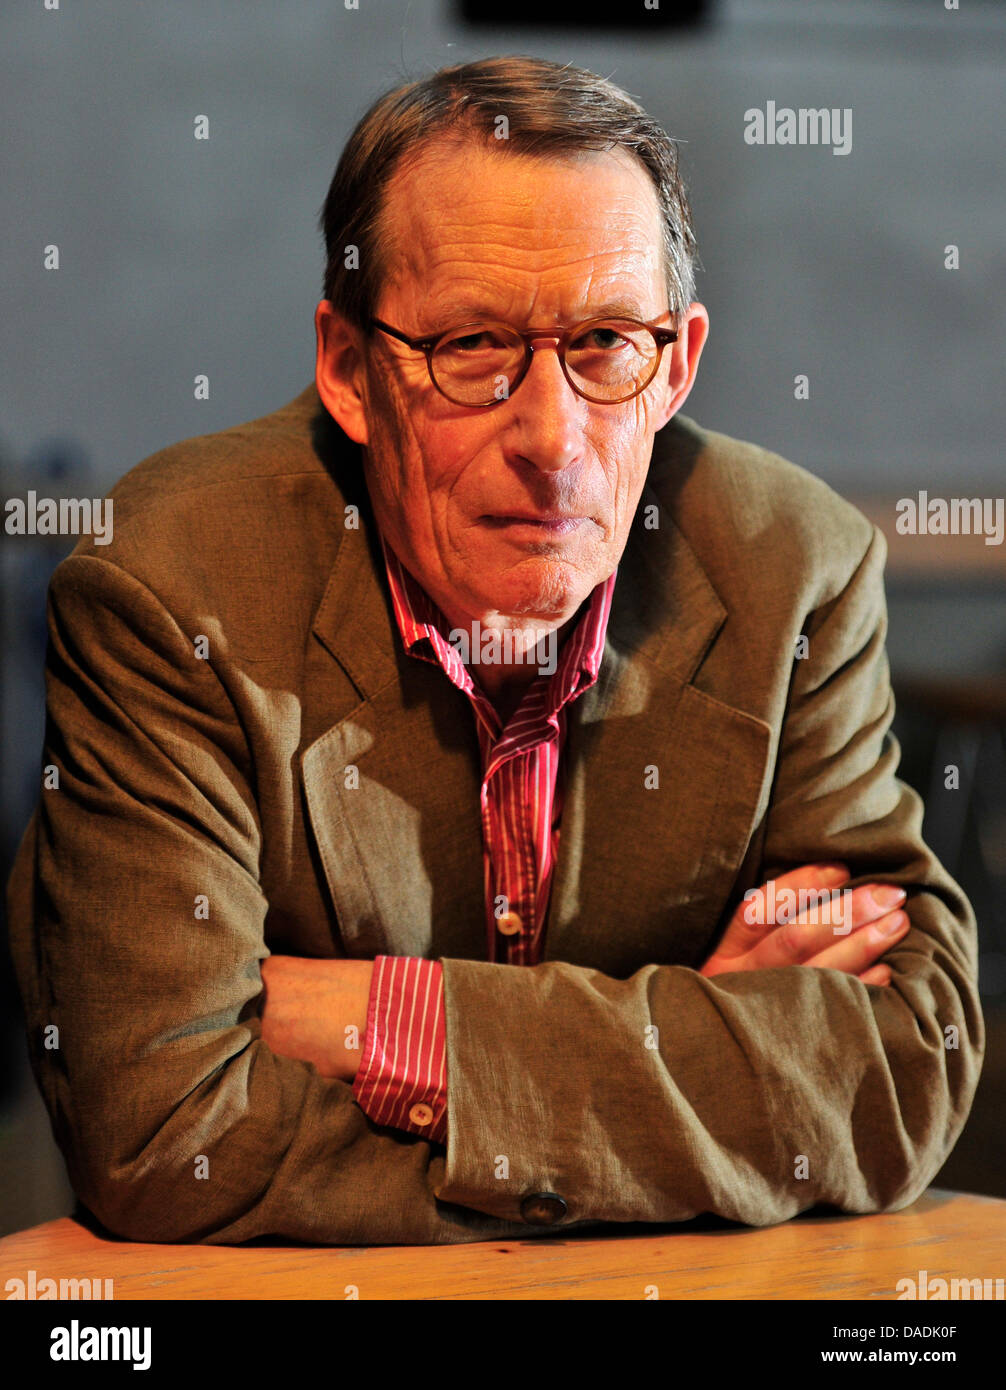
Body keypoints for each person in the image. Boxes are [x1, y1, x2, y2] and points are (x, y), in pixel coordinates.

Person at [7, 57, 983, 1247]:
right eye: (472, 346)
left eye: (606, 344)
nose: (553, 439)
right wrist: (695, 1060)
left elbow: (899, 1069)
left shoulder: (794, 570)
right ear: (350, 368)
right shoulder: (172, 587)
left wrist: (392, 1022)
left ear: (675, 365)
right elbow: (161, 1132)